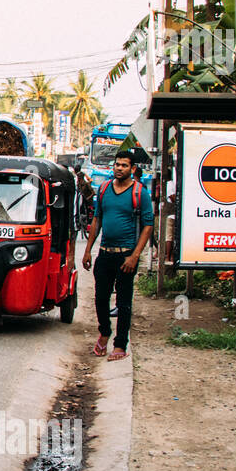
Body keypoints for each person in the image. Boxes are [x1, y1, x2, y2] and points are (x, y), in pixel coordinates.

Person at [82, 150, 153, 361]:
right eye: (117, 165)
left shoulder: (140, 192)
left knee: (123, 302)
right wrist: (88, 250)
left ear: (132, 169)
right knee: (101, 298)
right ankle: (104, 332)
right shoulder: (104, 189)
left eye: (124, 165)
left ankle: (120, 345)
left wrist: (135, 256)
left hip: (126, 257)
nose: (119, 168)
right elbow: (97, 220)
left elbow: (148, 226)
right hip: (105, 254)